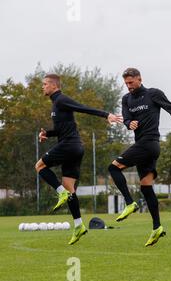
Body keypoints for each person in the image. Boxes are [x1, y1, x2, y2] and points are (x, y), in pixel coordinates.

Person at [108, 68, 171, 247]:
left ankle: (129, 203)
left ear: (139, 79)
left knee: (113, 167)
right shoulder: (126, 99)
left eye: (131, 82)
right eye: (126, 83)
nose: (129, 86)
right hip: (143, 146)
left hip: (149, 144)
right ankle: (157, 227)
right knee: (146, 187)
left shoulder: (153, 94)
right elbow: (127, 119)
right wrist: (130, 123)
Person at [35, 74, 123, 245]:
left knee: (39, 166)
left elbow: (83, 108)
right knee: (70, 188)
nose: (42, 87)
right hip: (75, 147)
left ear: (54, 85)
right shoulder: (56, 104)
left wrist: (107, 115)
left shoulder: (61, 100)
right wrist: (47, 133)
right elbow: (62, 129)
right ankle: (79, 226)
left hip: (69, 146)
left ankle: (60, 193)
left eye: (45, 84)